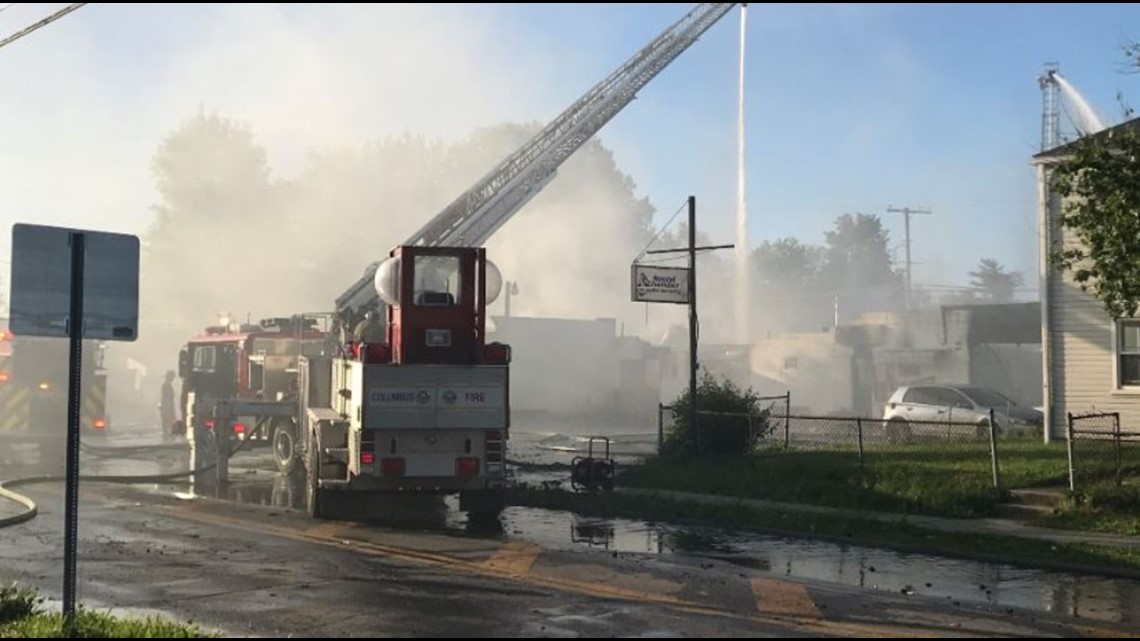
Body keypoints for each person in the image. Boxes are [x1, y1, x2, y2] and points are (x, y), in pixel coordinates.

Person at [159, 370, 177, 442]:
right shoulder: (167, 385)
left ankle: (167, 437)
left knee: (167, 422)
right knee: (168, 421)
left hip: (166, 406)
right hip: (167, 406)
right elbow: (167, 397)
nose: (172, 379)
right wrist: (169, 408)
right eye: (172, 377)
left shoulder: (166, 385)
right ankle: (167, 438)